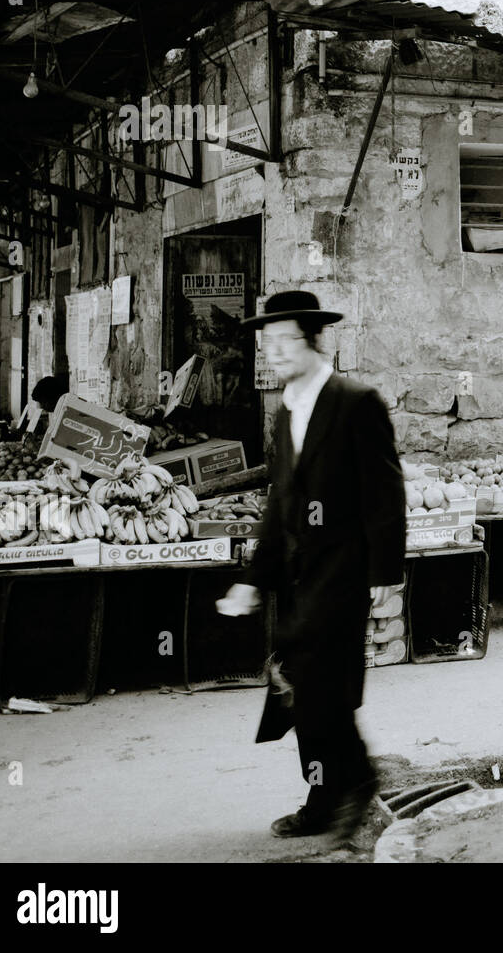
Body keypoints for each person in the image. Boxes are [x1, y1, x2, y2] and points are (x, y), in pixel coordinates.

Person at [216, 290, 407, 844]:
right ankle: (325, 794)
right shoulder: (285, 411)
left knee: (325, 686)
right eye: (265, 344)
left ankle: (359, 783)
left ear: (313, 341)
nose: (272, 353)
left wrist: (383, 575)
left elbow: (384, 492)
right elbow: (281, 502)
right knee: (302, 684)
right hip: (298, 576)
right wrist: (253, 579)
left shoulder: (355, 401)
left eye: (283, 341)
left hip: (343, 570)